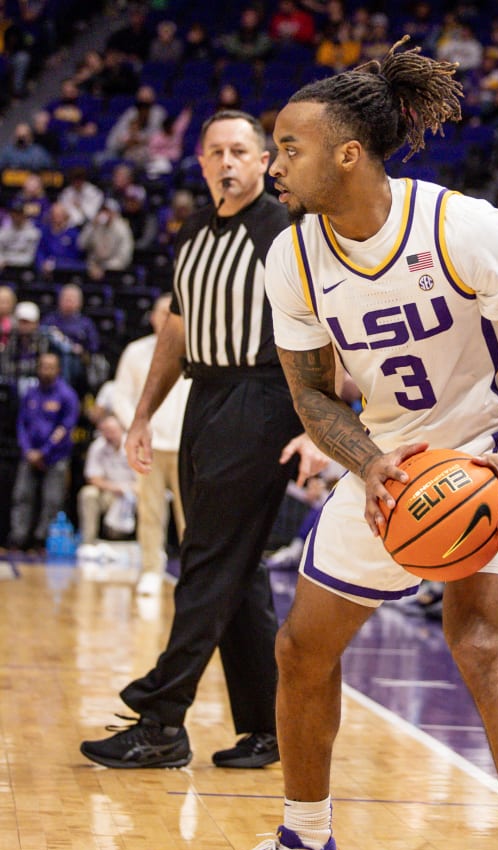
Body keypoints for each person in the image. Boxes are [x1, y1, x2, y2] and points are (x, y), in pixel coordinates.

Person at [192, 40, 498, 850]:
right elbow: (312, 395)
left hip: (486, 452)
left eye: (288, 146)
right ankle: (304, 849)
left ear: (347, 153)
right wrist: (369, 468)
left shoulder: (462, 228)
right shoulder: (291, 259)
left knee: (481, 646)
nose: (274, 162)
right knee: (301, 648)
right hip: (390, 463)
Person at [80, 109, 327, 772]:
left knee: (207, 557)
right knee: (235, 566)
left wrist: (317, 422)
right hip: (205, 397)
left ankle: (160, 718)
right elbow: (176, 333)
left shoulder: (287, 230)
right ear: (200, 162)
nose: (228, 162)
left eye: (241, 151)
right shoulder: (192, 233)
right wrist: (140, 416)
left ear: (264, 160)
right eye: (216, 151)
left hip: (264, 393)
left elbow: (325, 327)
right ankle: (269, 729)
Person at [112, 293, 190, 595]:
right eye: (162, 311)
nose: (167, 317)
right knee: (150, 511)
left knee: (191, 517)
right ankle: (150, 571)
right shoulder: (135, 352)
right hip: (151, 446)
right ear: (153, 317)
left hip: (186, 444)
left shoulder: (195, 350)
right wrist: (137, 426)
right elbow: (121, 395)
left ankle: (192, 576)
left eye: (172, 312)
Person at [7, 352, 79, 553]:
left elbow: (65, 428)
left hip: (56, 456)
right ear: (38, 368)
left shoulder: (67, 395)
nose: (46, 370)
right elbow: (21, 423)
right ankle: (18, 538)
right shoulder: (30, 393)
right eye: (43, 366)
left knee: (52, 499)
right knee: (22, 496)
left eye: (51, 366)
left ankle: (42, 541)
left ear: (58, 369)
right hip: (29, 455)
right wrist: (28, 450)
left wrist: (45, 452)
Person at [77, 413, 137, 544]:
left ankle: (152, 546)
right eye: (105, 431)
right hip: (109, 492)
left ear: (121, 429)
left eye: (112, 431)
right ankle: (88, 542)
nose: (109, 435)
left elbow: (145, 478)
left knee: (157, 497)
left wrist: (129, 490)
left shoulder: (134, 446)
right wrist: (115, 488)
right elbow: (93, 478)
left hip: (135, 493)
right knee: (88, 494)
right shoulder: (97, 447)